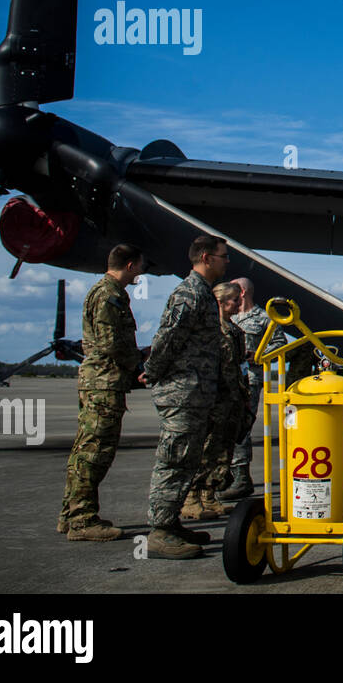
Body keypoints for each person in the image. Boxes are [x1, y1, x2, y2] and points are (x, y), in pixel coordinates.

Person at [143, 234, 229, 559]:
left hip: (196, 393)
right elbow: (167, 338)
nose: (227, 262)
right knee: (174, 458)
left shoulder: (204, 294)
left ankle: (171, 522)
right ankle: (159, 532)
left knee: (188, 459)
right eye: (223, 256)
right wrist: (153, 371)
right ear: (206, 258)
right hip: (182, 393)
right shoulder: (188, 293)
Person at [58, 243, 148, 541]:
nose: (142, 272)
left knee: (85, 448)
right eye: (140, 266)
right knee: (96, 451)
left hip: (98, 380)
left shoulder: (105, 291)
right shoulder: (110, 295)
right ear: (131, 265)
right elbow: (112, 343)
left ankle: (71, 514)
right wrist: (138, 363)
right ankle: (82, 520)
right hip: (104, 382)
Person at [182, 281, 248, 520]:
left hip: (231, 398)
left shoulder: (234, 330)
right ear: (220, 302)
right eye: (234, 300)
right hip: (213, 399)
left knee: (222, 451)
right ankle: (191, 498)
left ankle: (209, 496)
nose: (239, 304)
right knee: (205, 449)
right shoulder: (210, 330)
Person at [221, 277, 287, 500]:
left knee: (241, 426)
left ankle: (241, 477)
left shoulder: (263, 317)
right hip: (226, 379)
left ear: (241, 292)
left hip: (249, 379)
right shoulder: (227, 315)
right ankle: (225, 474)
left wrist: (258, 356)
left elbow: (279, 344)